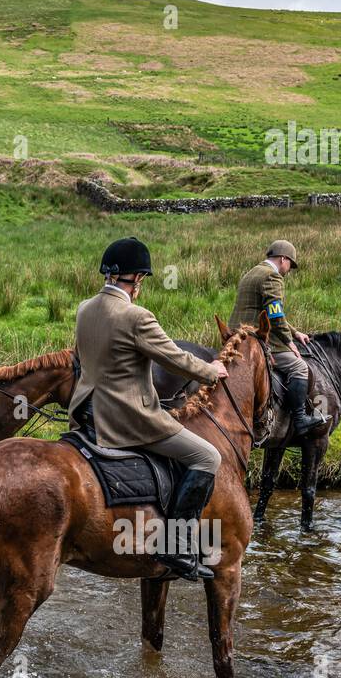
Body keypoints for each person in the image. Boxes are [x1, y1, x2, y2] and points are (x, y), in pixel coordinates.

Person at [67, 237, 227, 581]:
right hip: (127, 420)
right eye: (142, 279)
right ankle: (178, 544)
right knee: (207, 457)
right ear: (137, 279)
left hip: (87, 412)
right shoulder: (136, 316)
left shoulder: (84, 308)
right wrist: (212, 370)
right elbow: (175, 359)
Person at [229, 240, 327, 435]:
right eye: (290, 264)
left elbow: (271, 311)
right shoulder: (272, 277)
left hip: (235, 336)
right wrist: (289, 342)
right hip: (255, 339)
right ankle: (300, 419)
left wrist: (295, 332)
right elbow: (274, 317)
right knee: (299, 367)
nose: (288, 270)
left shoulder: (252, 272)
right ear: (283, 259)